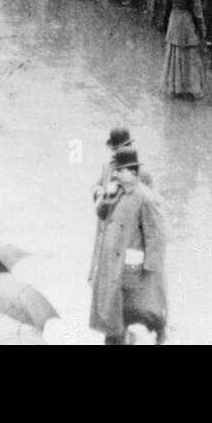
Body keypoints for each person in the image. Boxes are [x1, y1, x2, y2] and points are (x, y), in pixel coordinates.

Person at [89, 146, 168, 344]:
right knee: (112, 320)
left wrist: (148, 272)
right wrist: (107, 196)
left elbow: (157, 238)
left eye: (120, 170)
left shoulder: (146, 198)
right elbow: (101, 215)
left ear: (133, 171)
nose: (115, 174)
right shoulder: (117, 192)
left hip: (132, 271)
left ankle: (157, 331)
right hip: (112, 268)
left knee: (131, 316)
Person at [162, 0, 205, 100]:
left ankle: (175, 86)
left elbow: (166, 6)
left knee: (174, 53)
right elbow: (197, 11)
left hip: (174, 19)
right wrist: (202, 28)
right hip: (187, 21)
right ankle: (190, 88)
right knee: (190, 55)